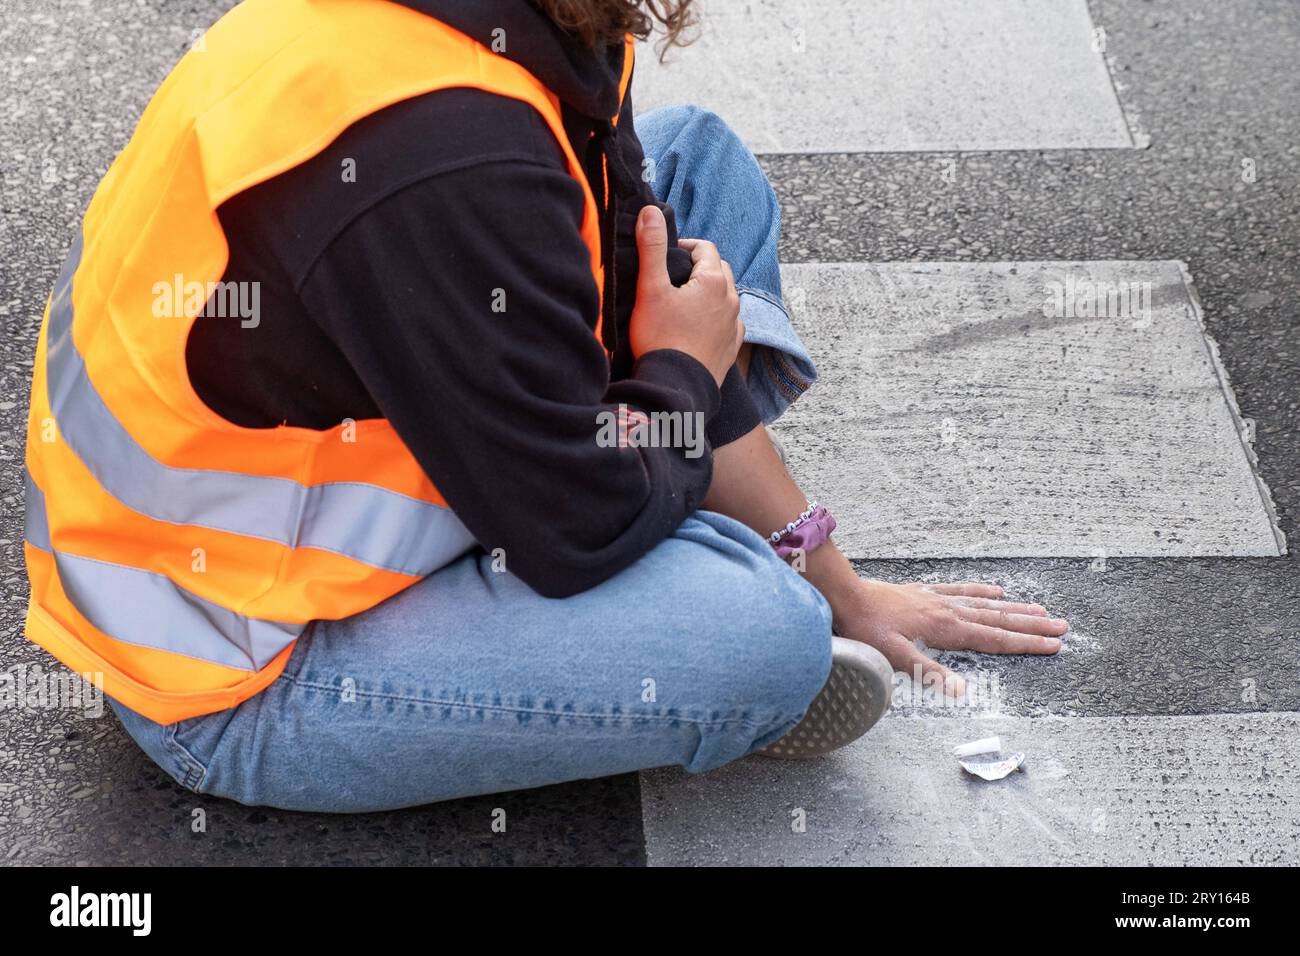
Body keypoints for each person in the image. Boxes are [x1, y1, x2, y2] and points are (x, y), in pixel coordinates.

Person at [22, 0, 1067, 812]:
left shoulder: (530, 23)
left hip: (367, 448)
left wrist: (843, 582)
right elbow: (574, 521)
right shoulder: (439, 154)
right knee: (763, 641)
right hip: (237, 666)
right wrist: (683, 381)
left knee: (697, 161)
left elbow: (615, 279)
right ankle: (662, 631)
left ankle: (650, 533)